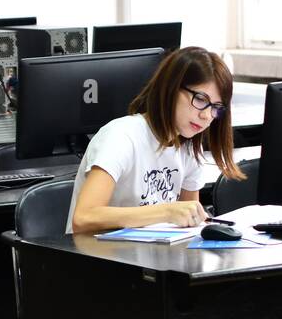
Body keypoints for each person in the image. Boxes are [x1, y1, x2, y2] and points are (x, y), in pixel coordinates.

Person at [67, 46, 244, 234]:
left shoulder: (189, 148)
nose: (207, 115)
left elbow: (190, 222)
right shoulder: (121, 136)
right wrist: (166, 211)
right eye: (200, 99)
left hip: (150, 257)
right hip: (95, 258)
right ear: (171, 88)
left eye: (216, 107)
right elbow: (84, 217)